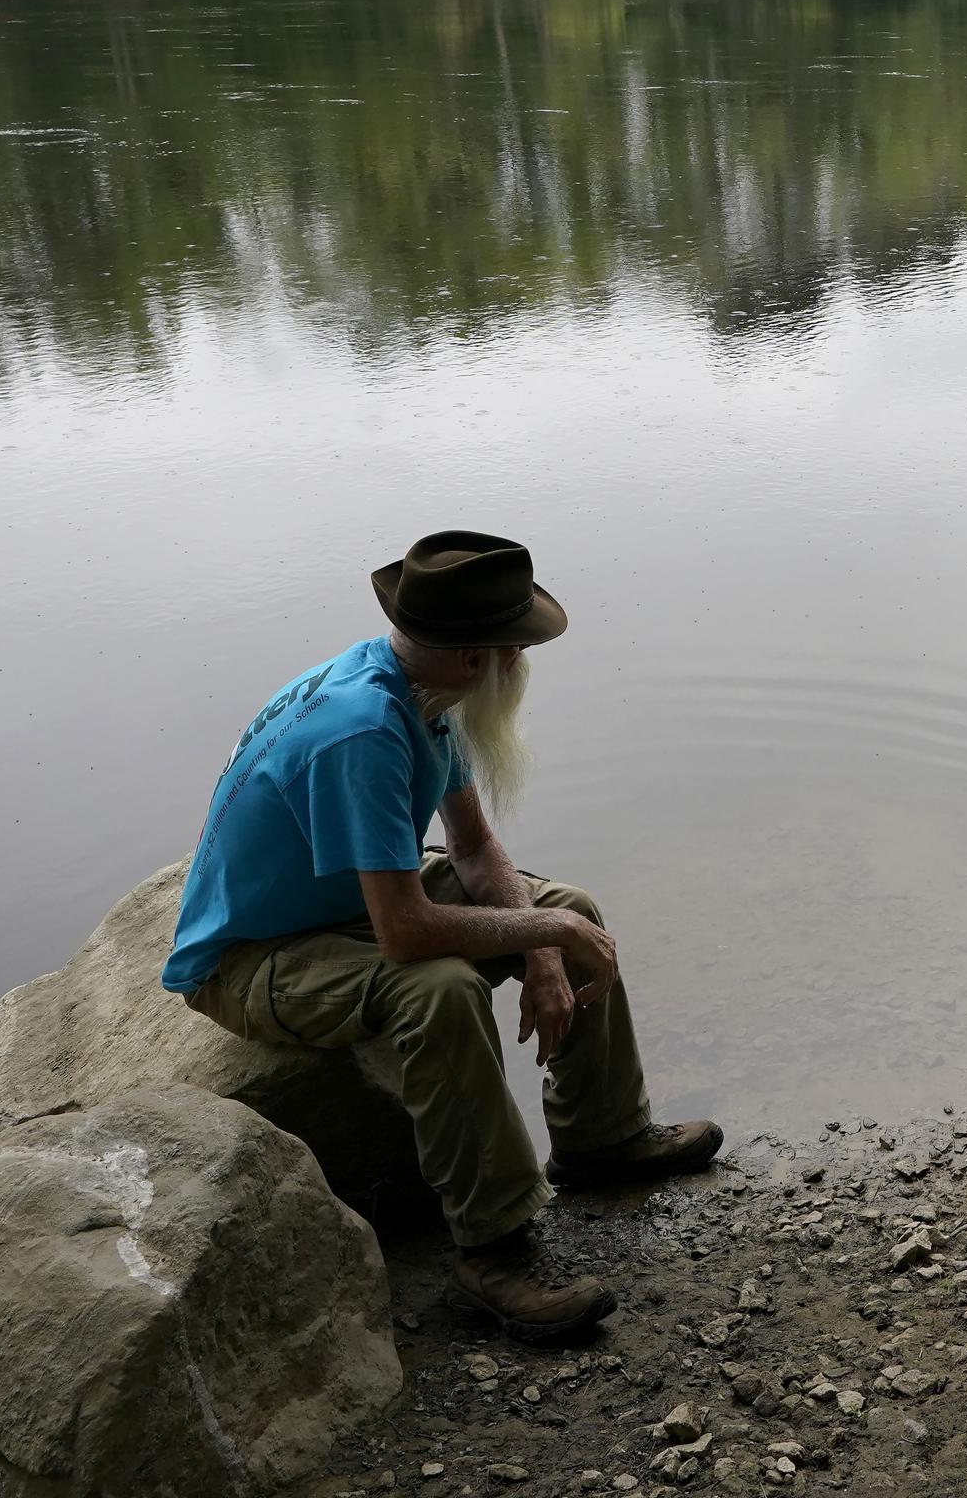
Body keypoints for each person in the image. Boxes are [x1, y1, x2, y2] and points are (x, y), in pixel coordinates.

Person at [161, 530, 720, 1341]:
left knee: (574, 909)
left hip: (344, 900)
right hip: (253, 956)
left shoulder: (418, 687)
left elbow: (471, 846)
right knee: (441, 988)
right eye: (519, 648)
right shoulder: (362, 730)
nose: (525, 664)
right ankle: (490, 1251)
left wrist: (543, 940)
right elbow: (405, 932)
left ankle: (601, 1141)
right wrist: (544, 926)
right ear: (474, 658)